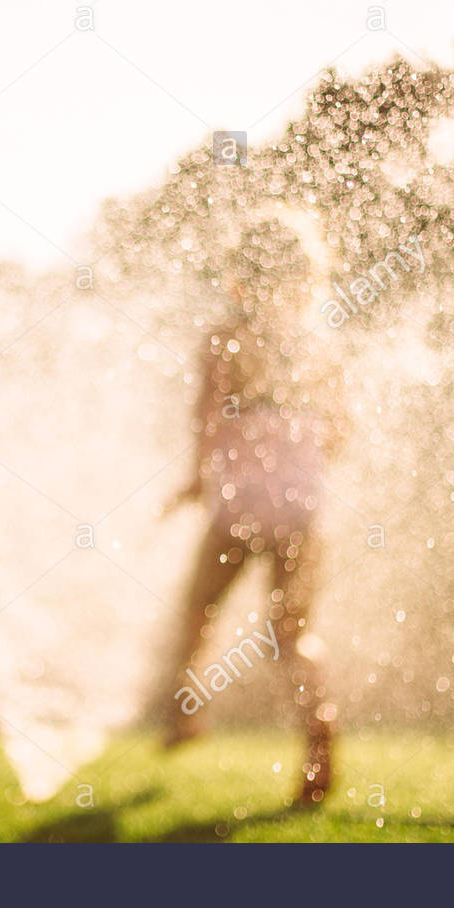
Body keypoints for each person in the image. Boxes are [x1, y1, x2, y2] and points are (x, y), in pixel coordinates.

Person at [163, 222, 343, 806]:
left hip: (240, 501)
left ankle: (188, 713)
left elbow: (206, 414)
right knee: (293, 635)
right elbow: (341, 434)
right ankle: (319, 742)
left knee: (198, 610)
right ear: (307, 279)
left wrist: (195, 478)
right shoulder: (322, 345)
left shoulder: (224, 339)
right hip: (302, 501)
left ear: (241, 279)